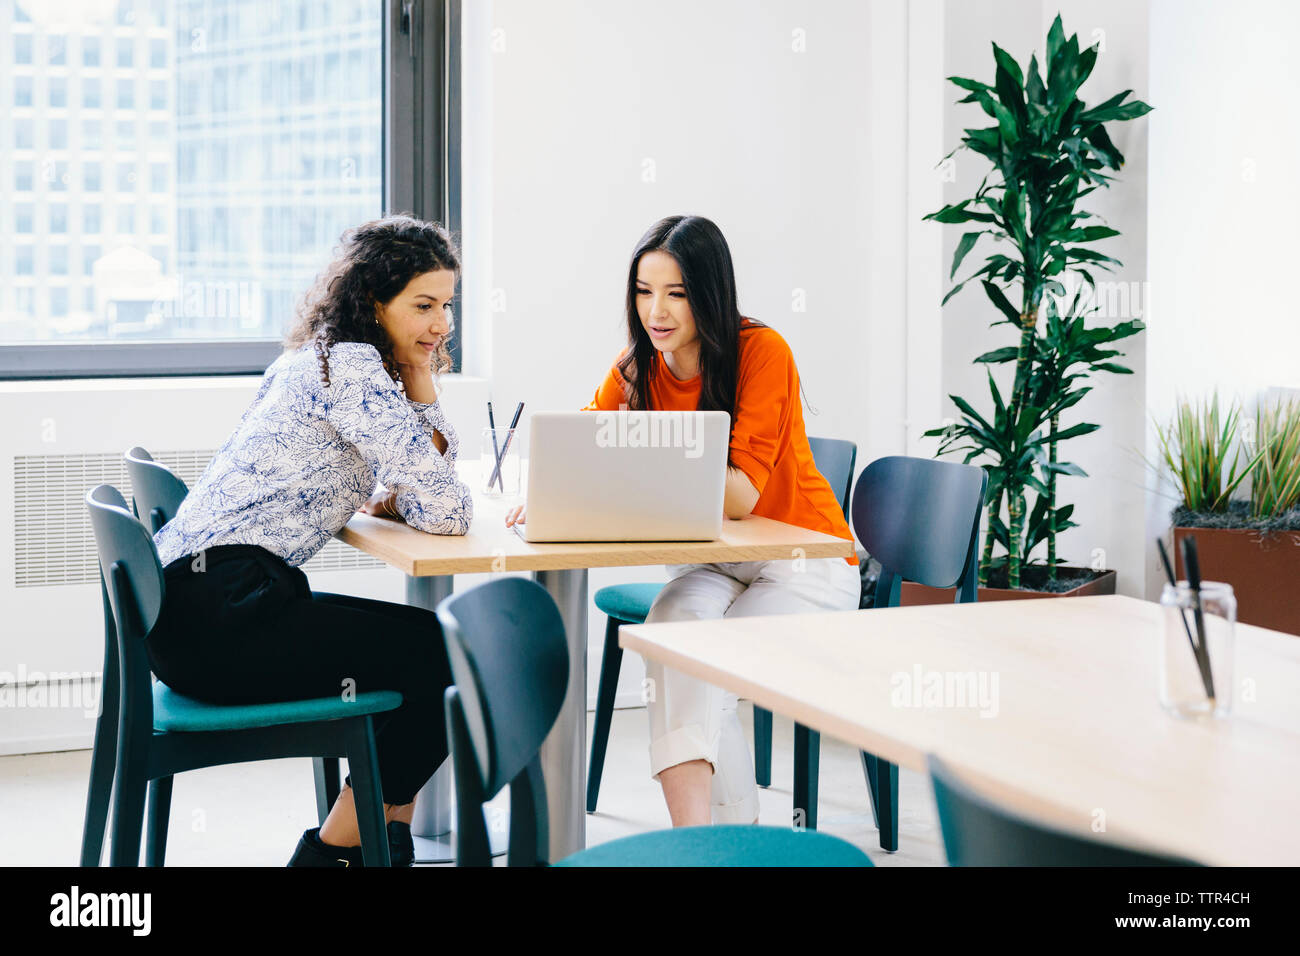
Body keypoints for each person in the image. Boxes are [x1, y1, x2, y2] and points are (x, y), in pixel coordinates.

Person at [507, 215, 860, 827]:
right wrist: (552, 488)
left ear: (709, 292)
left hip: (805, 561)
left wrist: (631, 454)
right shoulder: (637, 365)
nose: (657, 311)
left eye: (676, 293)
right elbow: (584, 444)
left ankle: (717, 844)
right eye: (644, 292)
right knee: (672, 640)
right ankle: (699, 843)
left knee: (711, 672)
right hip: (713, 562)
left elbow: (741, 497)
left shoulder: (761, 351)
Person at [147, 214, 472, 866]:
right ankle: (335, 854)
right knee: (439, 659)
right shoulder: (352, 370)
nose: (442, 324)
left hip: (189, 608)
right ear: (374, 301)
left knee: (422, 649)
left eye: (448, 306)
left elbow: (424, 475)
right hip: (222, 617)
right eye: (423, 305)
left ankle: (384, 846)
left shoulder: (317, 355)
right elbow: (447, 505)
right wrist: (425, 386)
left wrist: (417, 380)